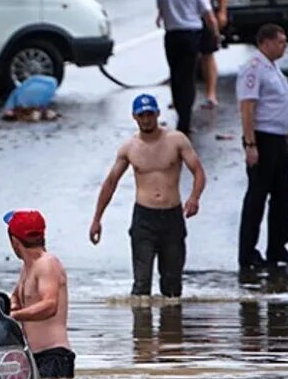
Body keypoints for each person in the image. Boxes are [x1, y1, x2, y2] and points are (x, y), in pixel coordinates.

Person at [88, 93, 207, 298]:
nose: (146, 119)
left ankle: (171, 329)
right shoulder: (129, 148)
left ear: (158, 114)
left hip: (172, 216)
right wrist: (97, 219)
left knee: (172, 286)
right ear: (134, 117)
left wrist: (194, 197)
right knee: (141, 285)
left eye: (150, 114)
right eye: (141, 115)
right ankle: (141, 330)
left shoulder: (176, 140)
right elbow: (110, 183)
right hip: (144, 218)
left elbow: (198, 171)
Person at [237, 24, 288, 269]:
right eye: (280, 42)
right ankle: (248, 253)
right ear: (265, 43)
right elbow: (247, 108)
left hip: (277, 139)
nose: (284, 46)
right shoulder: (254, 69)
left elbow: (280, 105)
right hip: (262, 138)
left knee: (282, 196)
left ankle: (277, 247)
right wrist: (250, 144)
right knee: (257, 197)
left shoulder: (273, 68)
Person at [4, 209, 75, 378]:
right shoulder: (28, 266)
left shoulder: (47, 264)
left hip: (54, 356)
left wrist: (13, 316)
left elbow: (50, 305)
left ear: (14, 241)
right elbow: (16, 296)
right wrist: (12, 307)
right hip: (34, 357)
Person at [156, 0, 219, 137]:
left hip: (171, 36)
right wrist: (215, 34)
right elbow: (208, 15)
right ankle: (185, 120)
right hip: (191, 35)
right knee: (188, 76)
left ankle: (179, 109)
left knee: (175, 75)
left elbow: (161, 12)